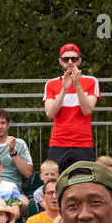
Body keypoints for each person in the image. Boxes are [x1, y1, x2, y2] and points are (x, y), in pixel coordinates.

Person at [42, 44, 100, 173]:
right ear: (60, 61)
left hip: (83, 143)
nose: (69, 62)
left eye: (73, 59)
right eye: (65, 59)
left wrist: (77, 85)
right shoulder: (51, 84)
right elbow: (50, 113)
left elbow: (87, 110)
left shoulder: (91, 81)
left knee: (84, 184)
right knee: (55, 183)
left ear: (79, 61)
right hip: (58, 143)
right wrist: (64, 88)